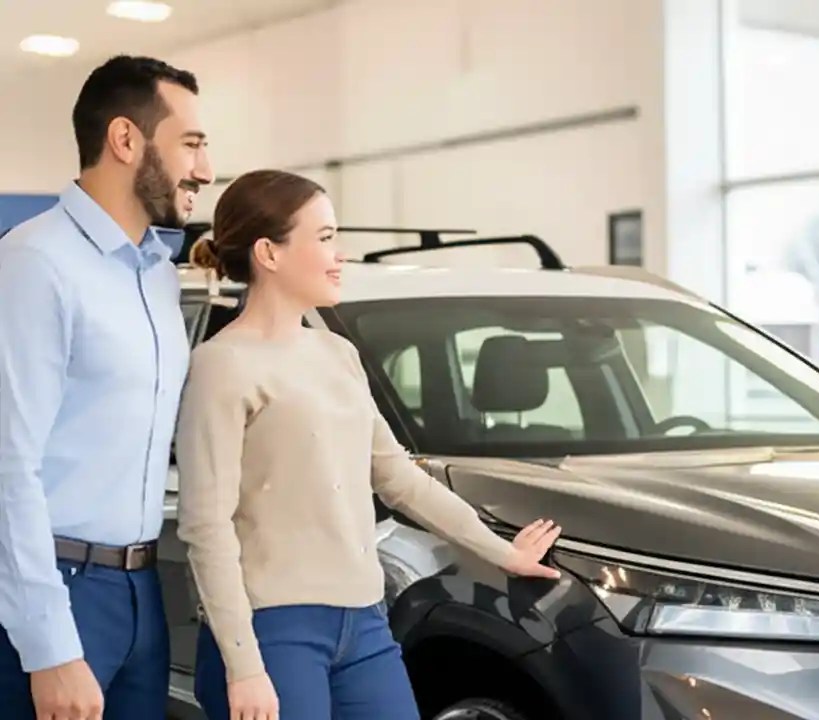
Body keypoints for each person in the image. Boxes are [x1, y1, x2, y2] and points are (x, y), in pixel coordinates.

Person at [175, 168, 564, 720]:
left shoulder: (336, 353)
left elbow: (399, 479)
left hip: (363, 621)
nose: (340, 256)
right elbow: (206, 526)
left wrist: (503, 552)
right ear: (269, 252)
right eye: (326, 238)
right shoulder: (221, 366)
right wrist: (244, 667)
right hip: (271, 628)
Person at [0, 55, 212, 720]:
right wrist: (50, 646)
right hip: (58, 592)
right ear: (126, 140)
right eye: (191, 144)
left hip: (141, 589)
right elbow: (9, 464)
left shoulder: (155, 273)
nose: (203, 170)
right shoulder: (36, 263)